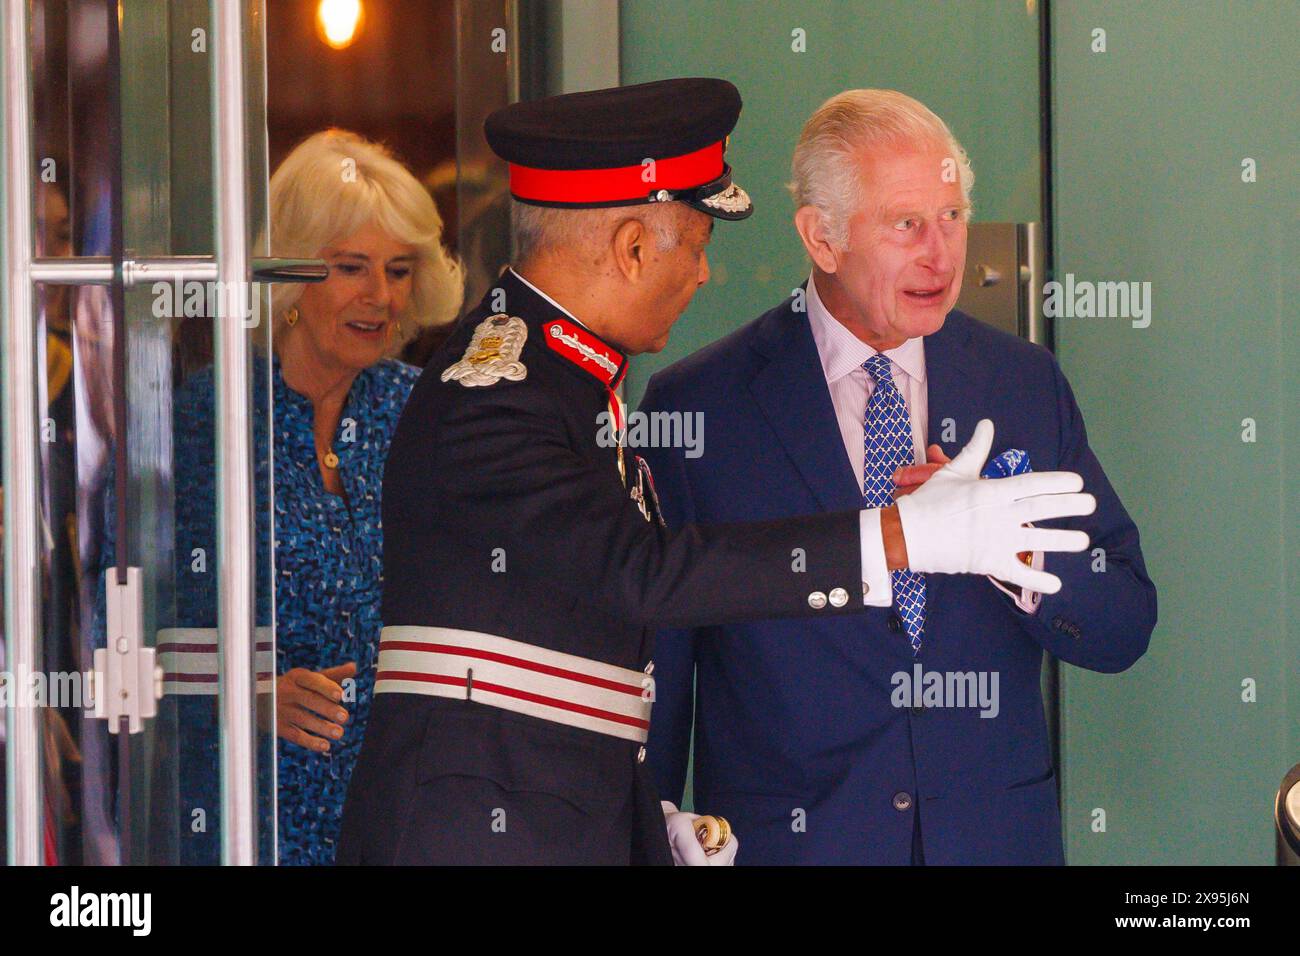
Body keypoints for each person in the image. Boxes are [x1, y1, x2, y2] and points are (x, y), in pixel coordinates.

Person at [337, 78, 1097, 866]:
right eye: (696, 248)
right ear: (633, 248)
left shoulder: (559, 378)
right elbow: (641, 577)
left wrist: (648, 822)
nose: (702, 277)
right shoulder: (499, 392)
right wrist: (899, 537)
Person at [638, 89, 1157, 865]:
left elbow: (1124, 621)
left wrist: (1014, 555)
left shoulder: (1021, 384)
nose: (941, 255)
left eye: (951, 216)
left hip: (993, 843)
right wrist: (653, 833)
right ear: (822, 237)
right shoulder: (698, 409)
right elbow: (661, 687)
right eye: (905, 224)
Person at [167, 129, 463, 864]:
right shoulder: (213, 420)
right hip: (250, 814)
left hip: (404, 811)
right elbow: (136, 630)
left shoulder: (416, 409)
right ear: (293, 278)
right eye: (352, 268)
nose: (381, 296)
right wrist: (251, 697)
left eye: (399, 271)